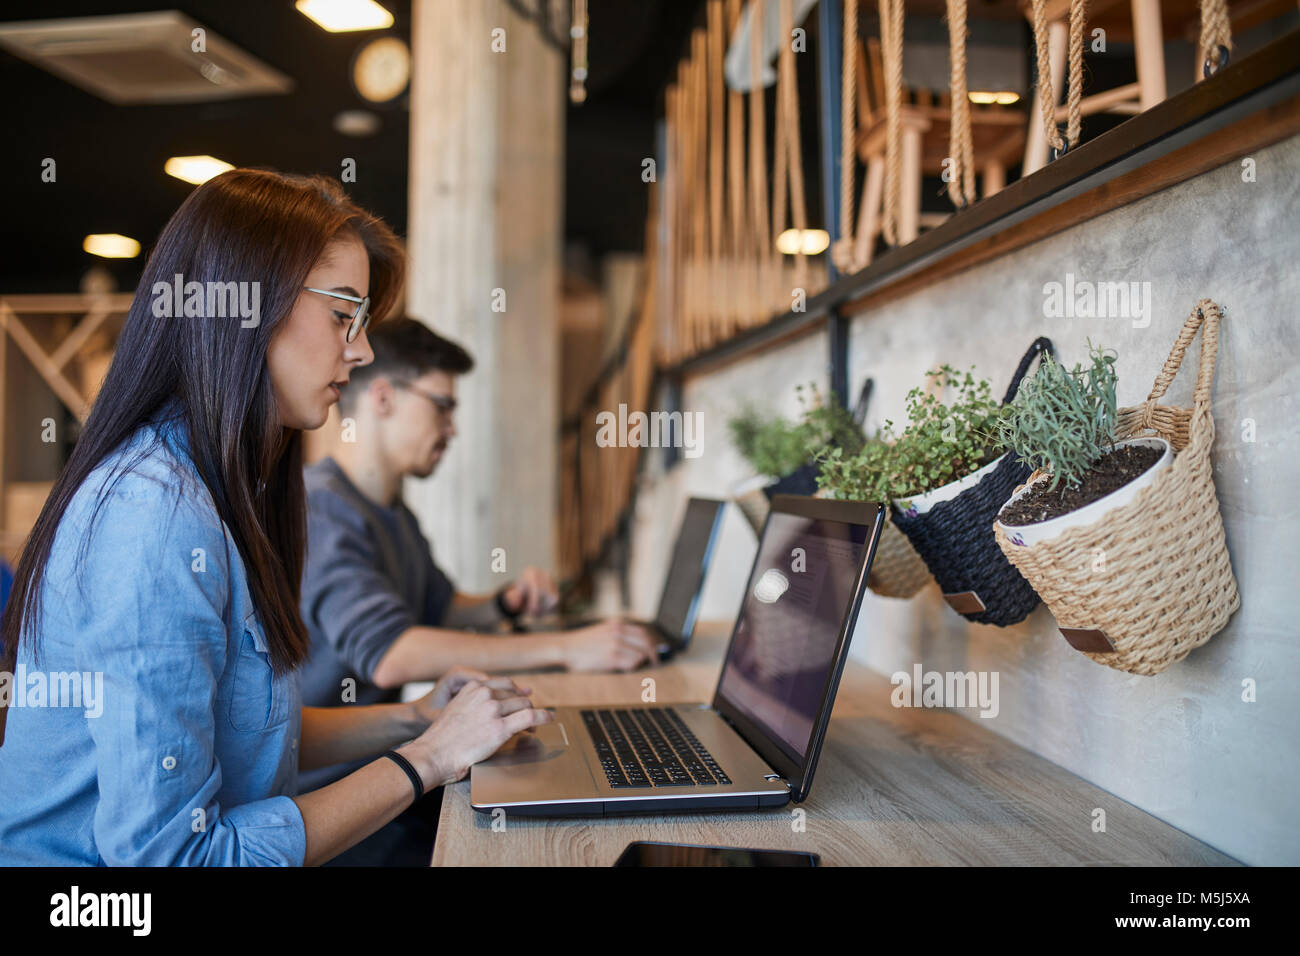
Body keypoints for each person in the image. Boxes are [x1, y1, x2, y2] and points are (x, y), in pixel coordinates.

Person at [0, 169, 552, 866]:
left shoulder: (221, 489)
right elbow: (174, 862)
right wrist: (429, 758)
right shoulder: (155, 519)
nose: (362, 349)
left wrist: (419, 717)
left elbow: (245, 731)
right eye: (342, 313)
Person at [295, 319, 657, 864]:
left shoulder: (388, 510)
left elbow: (438, 607)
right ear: (385, 397)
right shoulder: (324, 510)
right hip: (332, 798)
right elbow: (393, 654)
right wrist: (567, 647)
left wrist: (502, 603)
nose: (453, 427)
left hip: (378, 761)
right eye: (443, 405)